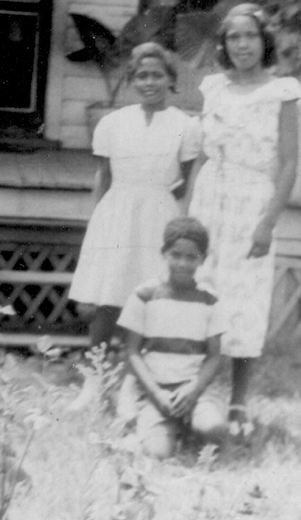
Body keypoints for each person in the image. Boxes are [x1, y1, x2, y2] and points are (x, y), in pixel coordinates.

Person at [188, 3, 301, 433]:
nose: (242, 45)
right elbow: (202, 155)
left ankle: (238, 400)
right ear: (224, 44)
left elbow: (290, 164)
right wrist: (187, 218)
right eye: (233, 37)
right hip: (209, 197)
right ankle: (193, 386)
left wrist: (267, 223)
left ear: (264, 41)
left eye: (250, 36)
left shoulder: (283, 92)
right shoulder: (214, 89)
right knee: (201, 292)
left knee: (244, 299)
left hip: (252, 200)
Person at [68, 42, 201, 407]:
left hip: (160, 215)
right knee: (107, 301)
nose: (149, 82)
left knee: (147, 301)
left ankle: (130, 384)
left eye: (157, 75)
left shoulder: (186, 126)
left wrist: (182, 228)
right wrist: (97, 222)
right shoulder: (112, 123)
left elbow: (188, 182)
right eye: (141, 75)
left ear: (171, 80)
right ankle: (93, 385)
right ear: (131, 80)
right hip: (116, 215)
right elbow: (104, 177)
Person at [117, 216, 228, 459]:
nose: (182, 263)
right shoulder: (143, 295)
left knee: (215, 430)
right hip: (156, 390)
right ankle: (163, 426)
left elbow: (214, 356)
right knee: (156, 453)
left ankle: (190, 423)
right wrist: (157, 394)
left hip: (193, 388)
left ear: (203, 258)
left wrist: (194, 389)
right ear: (164, 253)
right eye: (176, 255)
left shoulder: (210, 300)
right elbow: (133, 352)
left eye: (191, 257)